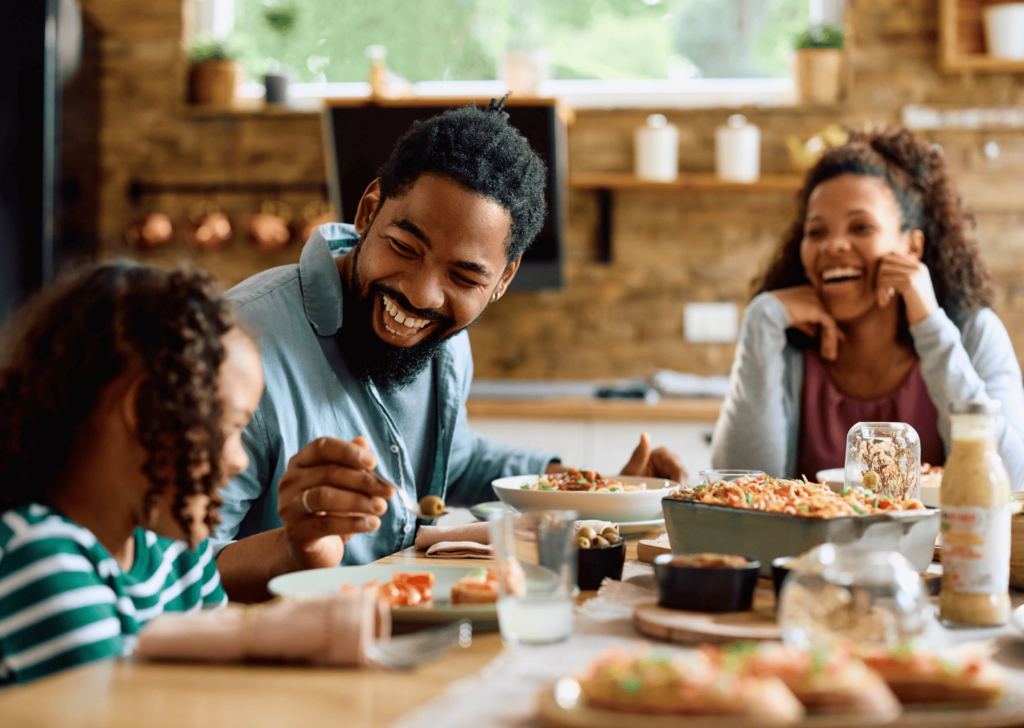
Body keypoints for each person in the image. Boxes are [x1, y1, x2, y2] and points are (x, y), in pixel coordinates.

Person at [213, 99, 686, 601]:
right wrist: (297, 546)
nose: (422, 294)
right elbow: (174, 570)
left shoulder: (446, 346)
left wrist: (594, 491)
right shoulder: (236, 349)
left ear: (503, 279)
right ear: (369, 211)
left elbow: (453, 459)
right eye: (404, 247)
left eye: (462, 276)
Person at [712, 126, 1024, 488]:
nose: (833, 246)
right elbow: (738, 492)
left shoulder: (973, 335)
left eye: (861, 227)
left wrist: (929, 325)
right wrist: (761, 319)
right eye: (816, 232)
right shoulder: (786, 344)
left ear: (912, 247)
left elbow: (1013, 485)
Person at [0, 264, 264, 685]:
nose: (239, 460)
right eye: (229, 427)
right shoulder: (44, 558)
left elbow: (221, 686)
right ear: (144, 410)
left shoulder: (178, 551)